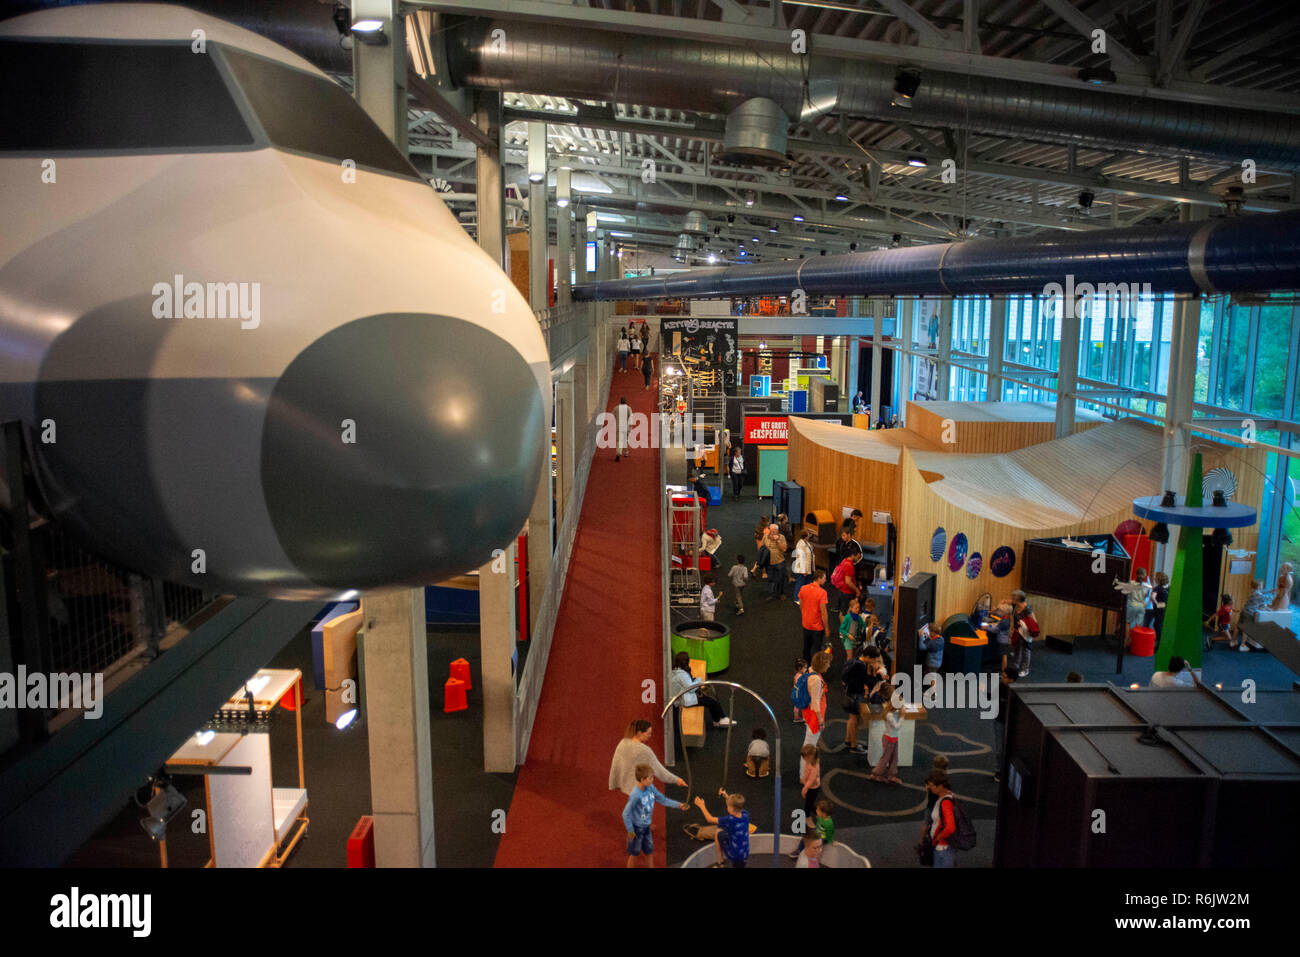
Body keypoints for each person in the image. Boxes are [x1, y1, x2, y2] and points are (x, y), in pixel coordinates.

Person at [623, 763, 686, 867]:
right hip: (636, 829)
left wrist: (678, 805)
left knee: (649, 852)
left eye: (653, 777)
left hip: (646, 827)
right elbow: (625, 813)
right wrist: (630, 830)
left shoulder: (651, 788)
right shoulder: (635, 795)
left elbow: (663, 799)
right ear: (642, 780)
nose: (652, 780)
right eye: (650, 778)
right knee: (634, 854)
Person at [609, 719, 685, 794]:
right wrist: (676, 780)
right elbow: (660, 772)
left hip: (622, 789)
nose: (650, 736)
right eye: (648, 733)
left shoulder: (622, 743)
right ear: (639, 733)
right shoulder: (645, 750)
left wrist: (614, 783)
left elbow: (615, 766)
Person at [669, 651, 735, 728]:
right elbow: (690, 689)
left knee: (710, 699)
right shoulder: (682, 675)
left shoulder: (674, 671)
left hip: (681, 698)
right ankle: (720, 719)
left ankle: (718, 719)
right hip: (686, 700)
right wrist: (699, 680)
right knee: (711, 701)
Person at [841, 645, 885, 755]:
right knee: (854, 720)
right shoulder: (860, 666)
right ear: (868, 657)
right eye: (874, 659)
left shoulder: (854, 660)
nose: (875, 661)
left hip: (849, 693)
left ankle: (848, 740)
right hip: (855, 695)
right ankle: (854, 746)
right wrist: (879, 676)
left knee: (851, 719)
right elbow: (869, 682)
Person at [693, 789, 749, 868]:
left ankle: (721, 863)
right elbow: (736, 805)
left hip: (736, 854)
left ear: (731, 809)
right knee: (719, 832)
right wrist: (726, 796)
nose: (727, 807)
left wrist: (702, 806)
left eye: (727, 806)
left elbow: (709, 819)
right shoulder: (745, 814)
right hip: (744, 851)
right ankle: (720, 862)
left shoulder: (729, 819)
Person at [801, 651, 831, 760]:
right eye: (827, 663)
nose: (829, 665)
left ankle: (806, 771)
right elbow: (815, 704)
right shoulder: (816, 680)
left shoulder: (810, 670)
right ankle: (806, 773)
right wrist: (821, 721)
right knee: (810, 746)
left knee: (809, 743)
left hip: (807, 711)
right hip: (814, 715)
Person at [798, 570, 832, 662]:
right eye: (824, 578)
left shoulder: (803, 588)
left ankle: (805, 666)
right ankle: (815, 668)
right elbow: (824, 613)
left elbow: (801, 605)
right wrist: (827, 628)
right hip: (817, 627)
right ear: (819, 579)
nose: (825, 580)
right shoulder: (822, 593)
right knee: (816, 649)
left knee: (806, 647)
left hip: (806, 624)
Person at [869, 694, 904, 784]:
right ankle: (876, 774)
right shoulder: (889, 715)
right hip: (889, 739)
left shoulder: (893, 712)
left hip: (893, 738)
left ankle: (892, 775)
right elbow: (896, 727)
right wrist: (902, 717)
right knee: (885, 758)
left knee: (894, 758)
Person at [926, 771, 958, 868]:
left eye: (931, 786)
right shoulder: (948, 795)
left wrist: (939, 837)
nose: (929, 788)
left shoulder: (945, 803)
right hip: (944, 846)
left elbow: (950, 827)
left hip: (943, 848)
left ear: (940, 786)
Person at [992, 666, 1017, 781]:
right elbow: (992, 697)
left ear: (1012, 680)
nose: (1002, 678)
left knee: (1009, 747)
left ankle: (1006, 768)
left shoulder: (1016, 692)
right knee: (999, 748)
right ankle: (998, 770)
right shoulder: (1001, 686)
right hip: (999, 721)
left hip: (1011, 722)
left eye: (1005, 677)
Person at [1117, 569, 1151, 648]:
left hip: (1132, 605)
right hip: (1141, 607)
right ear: (1145, 576)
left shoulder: (1130, 583)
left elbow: (1126, 594)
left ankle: (1126, 640)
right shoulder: (1147, 586)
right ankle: (1134, 642)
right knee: (1138, 625)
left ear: (1136, 574)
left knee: (1128, 623)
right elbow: (1145, 596)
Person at [1009, 589, 1038, 678]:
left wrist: (1023, 623)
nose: (1011, 599)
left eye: (1013, 598)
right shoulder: (1015, 605)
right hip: (1018, 632)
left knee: (1026, 651)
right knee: (1017, 649)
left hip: (1025, 633)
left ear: (1018, 600)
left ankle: (1025, 669)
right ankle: (1016, 665)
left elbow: (1034, 621)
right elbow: (1008, 601)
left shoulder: (1027, 609)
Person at [1236, 578, 1269, 650]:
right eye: (1261, 585)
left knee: (1238, 626)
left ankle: (1233, 641)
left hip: (1243, 611)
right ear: (1258, 586)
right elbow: (1263, 602)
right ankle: (1242, 645)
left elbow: (1261, 592)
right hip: (1249, 613)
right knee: (1246, 630)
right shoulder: (1259, 595)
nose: (1262, 587)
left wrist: (1269, 591)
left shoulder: (1253, 591)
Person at [830, 547, 861, 620]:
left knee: (843, 610)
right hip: (847, 592)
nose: (859, 558)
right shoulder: (849, 566)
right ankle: (844, 630)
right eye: (858, 556)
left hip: (842, 590)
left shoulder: (844, 561)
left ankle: (843, 629)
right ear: (853, 555)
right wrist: (857, 590)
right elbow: (848, 582)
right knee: (844, 613)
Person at [1143, 571, 1169, 648]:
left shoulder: (1157, 588)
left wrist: (1156, 603)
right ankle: (1159, 642)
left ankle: (1154, 642)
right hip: (1164, 607)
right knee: (1158, 625)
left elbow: (1152, 597)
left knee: (1155, 624)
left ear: (1158, 579)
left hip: (1158, 608)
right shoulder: (1167, 588)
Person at [764, 524, 789, 600]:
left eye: (773, 531)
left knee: (780, 579)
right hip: (769, 563)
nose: (771, 532)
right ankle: (771, 594)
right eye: (770, 531)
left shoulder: (782, 537)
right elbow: (762, 548)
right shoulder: (765, 537)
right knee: (770, 579)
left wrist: (777, 541)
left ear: (777, 531)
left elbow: (784, 549)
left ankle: (781, 593)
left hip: (779, 562)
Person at [799, 744, 822, 820]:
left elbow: (811, 780)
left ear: (811, 757)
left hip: (814, 788)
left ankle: (807, 817)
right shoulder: (808, 762)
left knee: (808, 803)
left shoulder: (814, 767)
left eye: (804, 758)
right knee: (809, 801)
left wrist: (804, 789)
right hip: (809, 785)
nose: (803, 759)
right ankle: (817, 812)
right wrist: (804, 779)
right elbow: (806, 771)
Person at [792, 529, 815, 601]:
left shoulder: (806, 543)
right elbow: (800, 558)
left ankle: (805, 597)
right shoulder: (800, 544)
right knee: (800, 584)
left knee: (807, 584)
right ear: (805, 536)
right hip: (802, 569)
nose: (809, 536)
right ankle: (797, 599)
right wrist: (803, 570)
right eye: (808, 534)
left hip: (808, 567)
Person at [615, 396, 632, 462]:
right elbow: (631, 417)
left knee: (619, 441)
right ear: (625, 402)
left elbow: (612, 415)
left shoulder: (616, 408)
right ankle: (626, 452)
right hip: (626, 427)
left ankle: (618, 452)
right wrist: (630, 426)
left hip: (618, 427)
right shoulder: (628, 408)